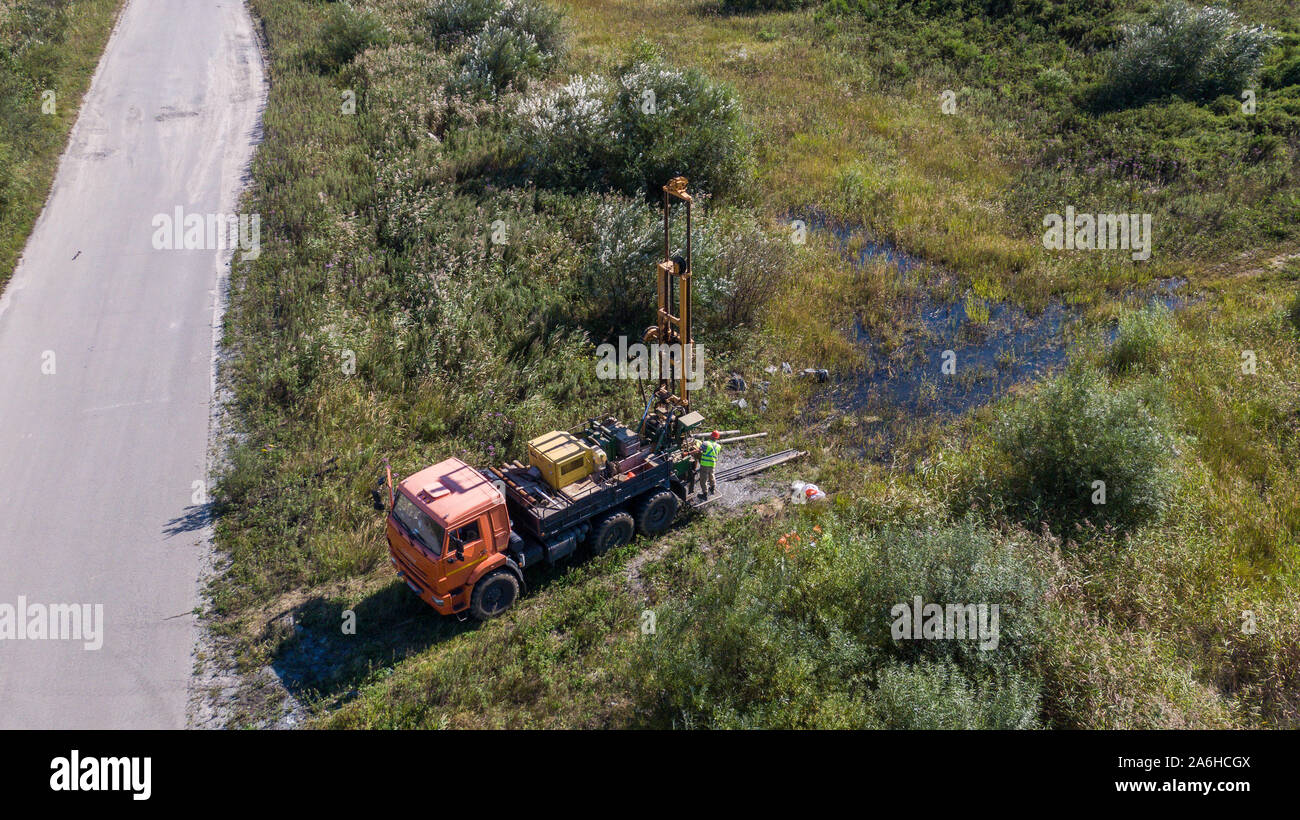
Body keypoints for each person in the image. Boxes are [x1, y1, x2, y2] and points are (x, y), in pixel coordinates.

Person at [697, 430, 721, 499]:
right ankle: (712, 489)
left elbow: (700, 450)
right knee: (712, 476)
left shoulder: (706, 443)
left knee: (703, 479)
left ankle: (704, 494)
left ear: (711, 436)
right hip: (713, 464)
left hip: (705, 464)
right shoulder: (718, 446)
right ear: (717, 438)